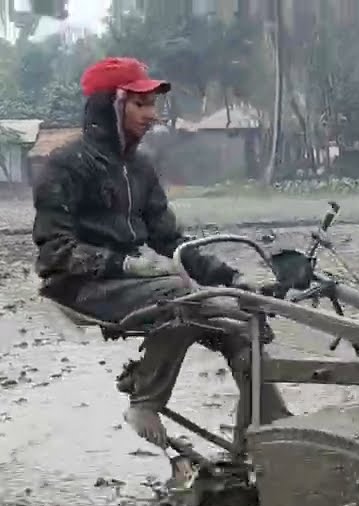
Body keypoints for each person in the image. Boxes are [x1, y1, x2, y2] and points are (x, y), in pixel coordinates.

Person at [31, 56, 291, 451]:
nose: (152, 116)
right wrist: (125, 263)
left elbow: (170, 241)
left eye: (153, 105)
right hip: (79, 285)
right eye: (141, 104)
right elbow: (56, 252)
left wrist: (232, 279)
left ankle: (265, 437)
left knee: (243, 324)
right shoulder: (65, 166)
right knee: (178, 294)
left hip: (134, 281)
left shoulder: (141, 168)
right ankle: (145, 402)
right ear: (110, 105)